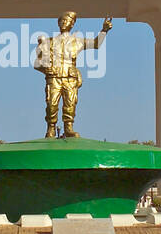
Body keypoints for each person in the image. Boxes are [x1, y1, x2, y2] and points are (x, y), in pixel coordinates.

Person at [33, 11, 111, 139]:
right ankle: (50, 128)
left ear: (72, 24)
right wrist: (45, 69)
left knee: (70, 103)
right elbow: (37, 63)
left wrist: (104, 30)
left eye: (66, 21)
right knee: (51, 105)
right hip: (54, 78)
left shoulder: (78, 41)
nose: (63, 23)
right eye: (61, 21)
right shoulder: (48, 42)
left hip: (70, 77)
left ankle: (68, 127)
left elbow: (96, 44)